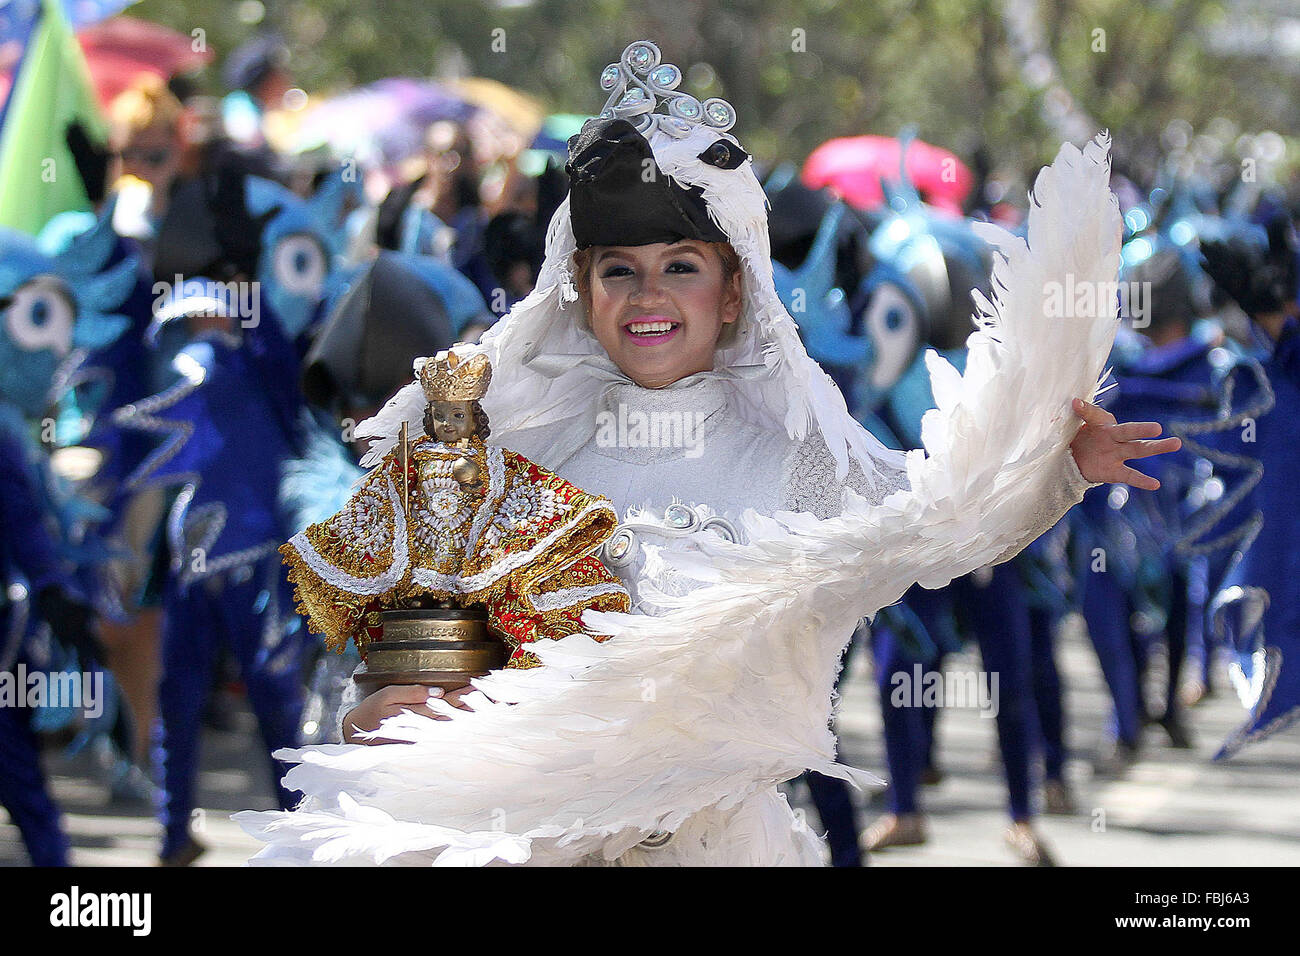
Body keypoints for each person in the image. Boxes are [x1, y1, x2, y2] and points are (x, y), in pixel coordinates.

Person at [238, 40, 1179, 867]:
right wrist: (402, 721)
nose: (650, 295)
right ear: (581, 289)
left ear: (733, 293)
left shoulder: (800, 462)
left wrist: (1053, 462)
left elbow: (939, 526)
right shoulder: (509, 450)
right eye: (620, 271)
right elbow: (398, 681)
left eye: (681, 266)